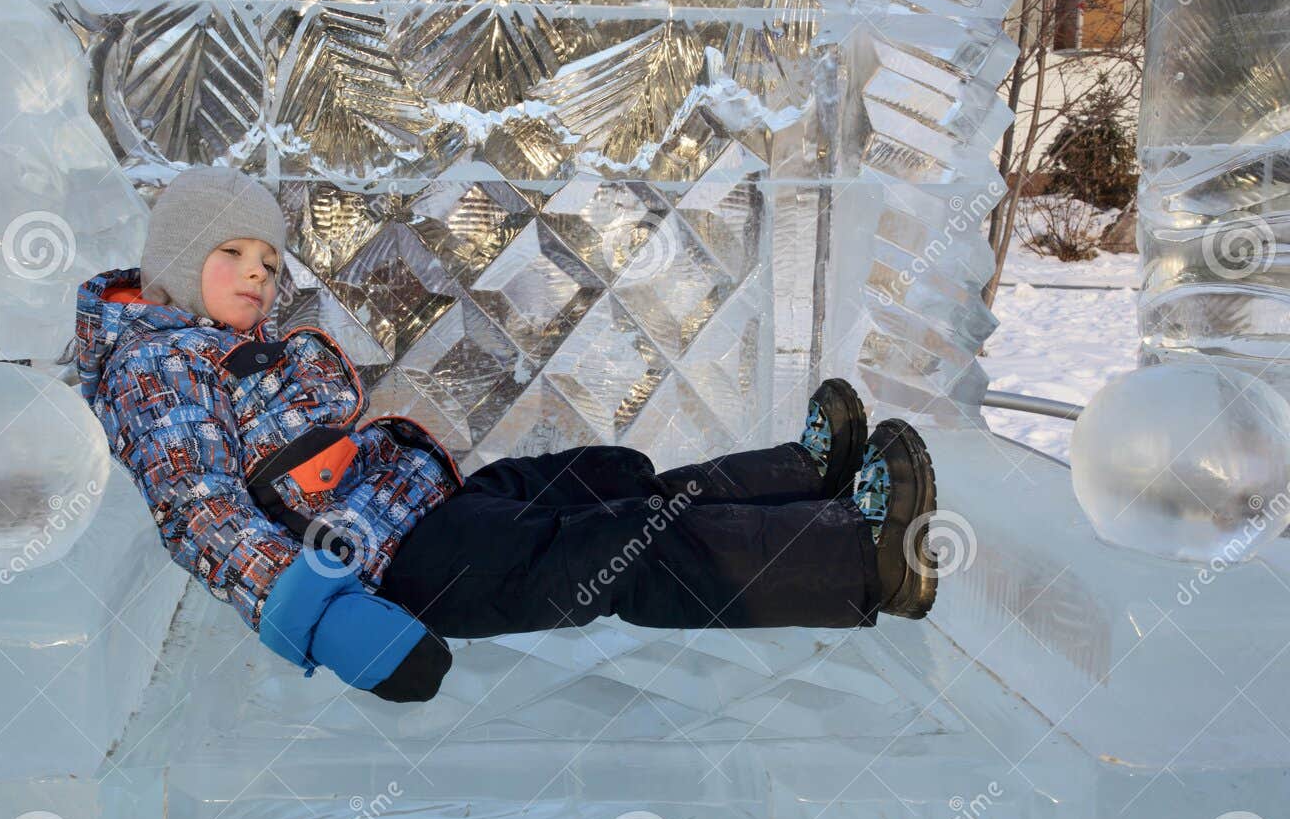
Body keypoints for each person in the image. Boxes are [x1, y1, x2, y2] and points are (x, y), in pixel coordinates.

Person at [75, 166, 939, 705]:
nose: (260, 276)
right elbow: (201, 514)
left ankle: (800, 479)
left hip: (429, 504)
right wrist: (331, 621)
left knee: (607, 476)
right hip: (397, 564)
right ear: (179, 257)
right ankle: (864, 561)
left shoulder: (213, 344)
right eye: (235, 254)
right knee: (622, 548)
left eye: (268, 261)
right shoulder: (155, 367)